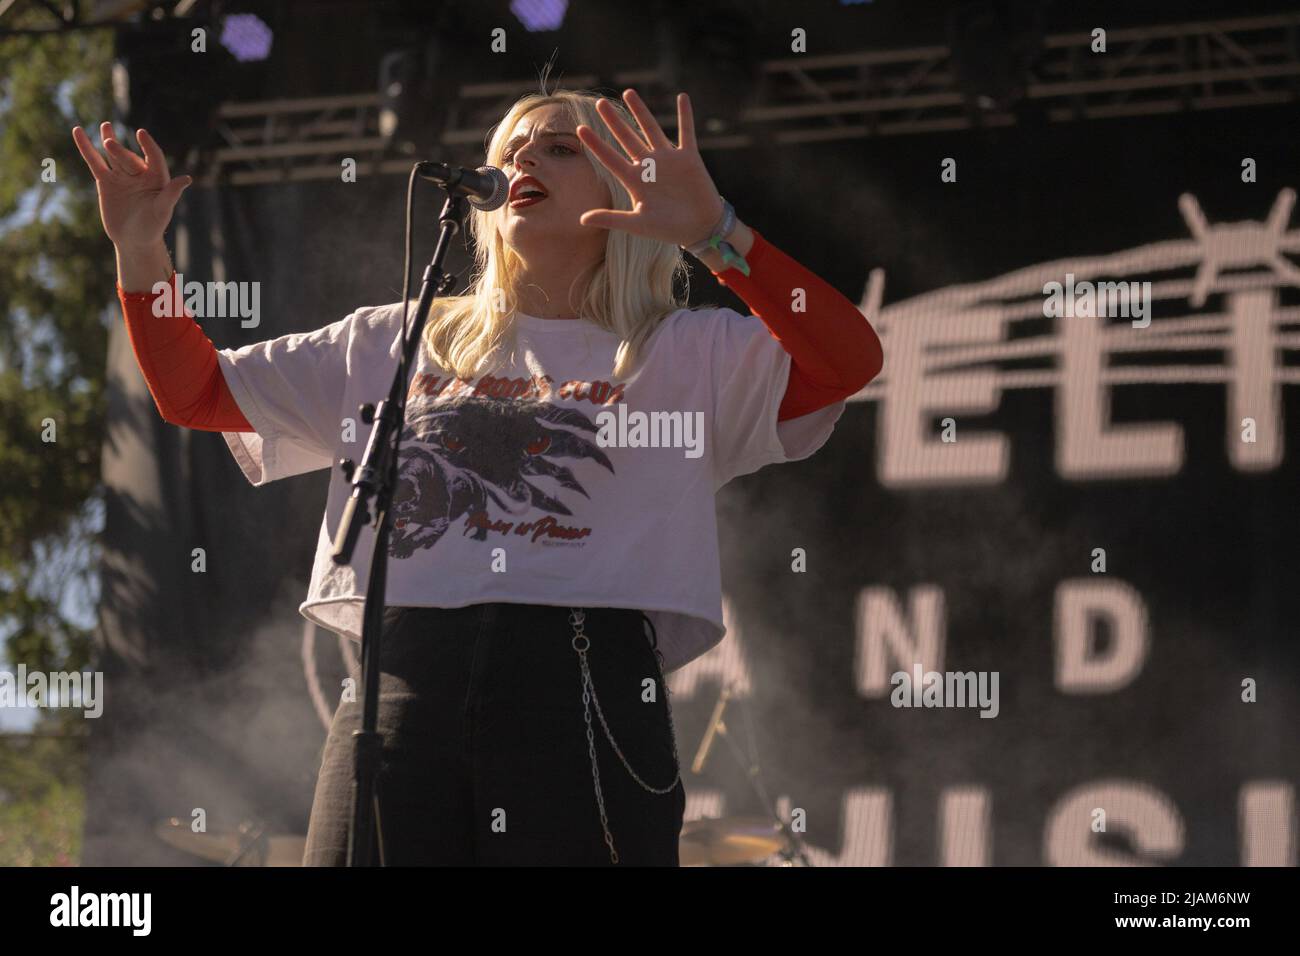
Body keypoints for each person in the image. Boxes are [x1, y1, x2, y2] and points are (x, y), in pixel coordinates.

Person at [72, 86, 883, 866]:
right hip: (400, 682)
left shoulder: (687, 350)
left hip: (583, 685)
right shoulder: (393, 337)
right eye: (511, 149)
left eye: (560, 148)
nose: (527, 158)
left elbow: (848, 360)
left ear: (623, 193)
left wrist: (719, 235)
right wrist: (140, 251)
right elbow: (198, 393)